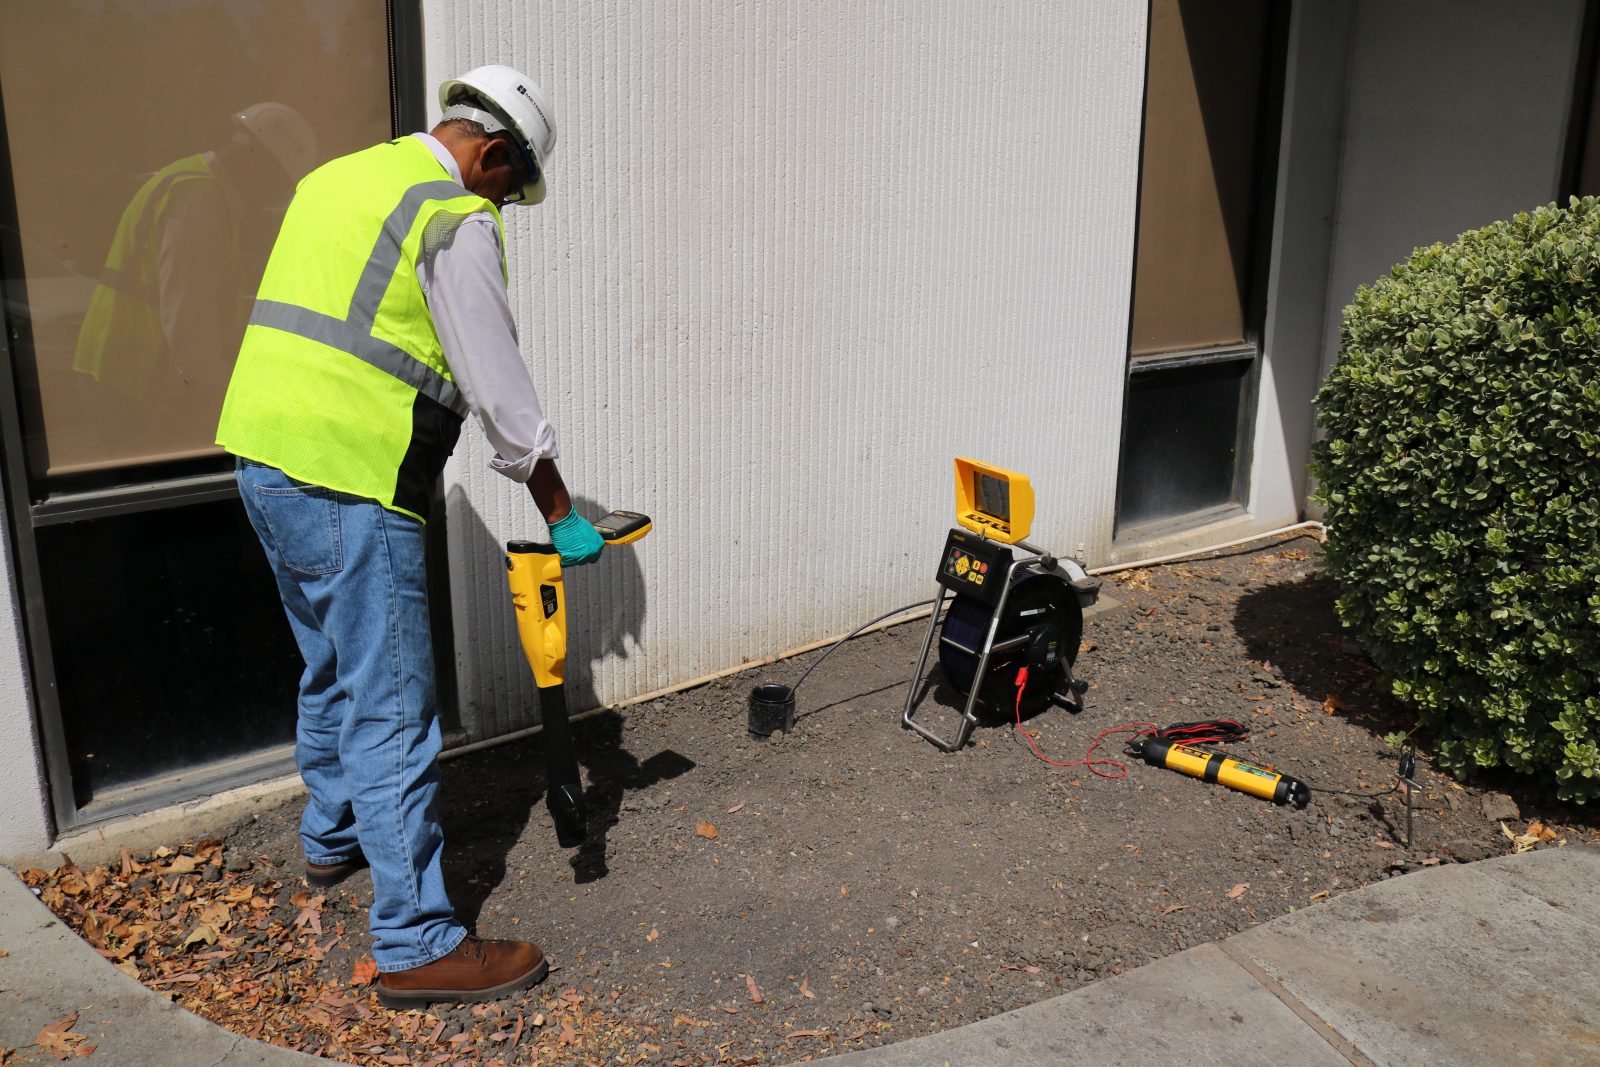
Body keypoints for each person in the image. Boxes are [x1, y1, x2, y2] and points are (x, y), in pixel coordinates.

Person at [215, 65, 604, 1008]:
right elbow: (497, 383)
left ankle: (332, 836)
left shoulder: (339, 178)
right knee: (391, 704)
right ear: (495, 153)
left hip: (264, 459)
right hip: (354, 477)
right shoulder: (452, 215)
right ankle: (417, 940)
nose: (506, 203)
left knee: (328, 663)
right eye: (512, 184)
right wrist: (558, 505)